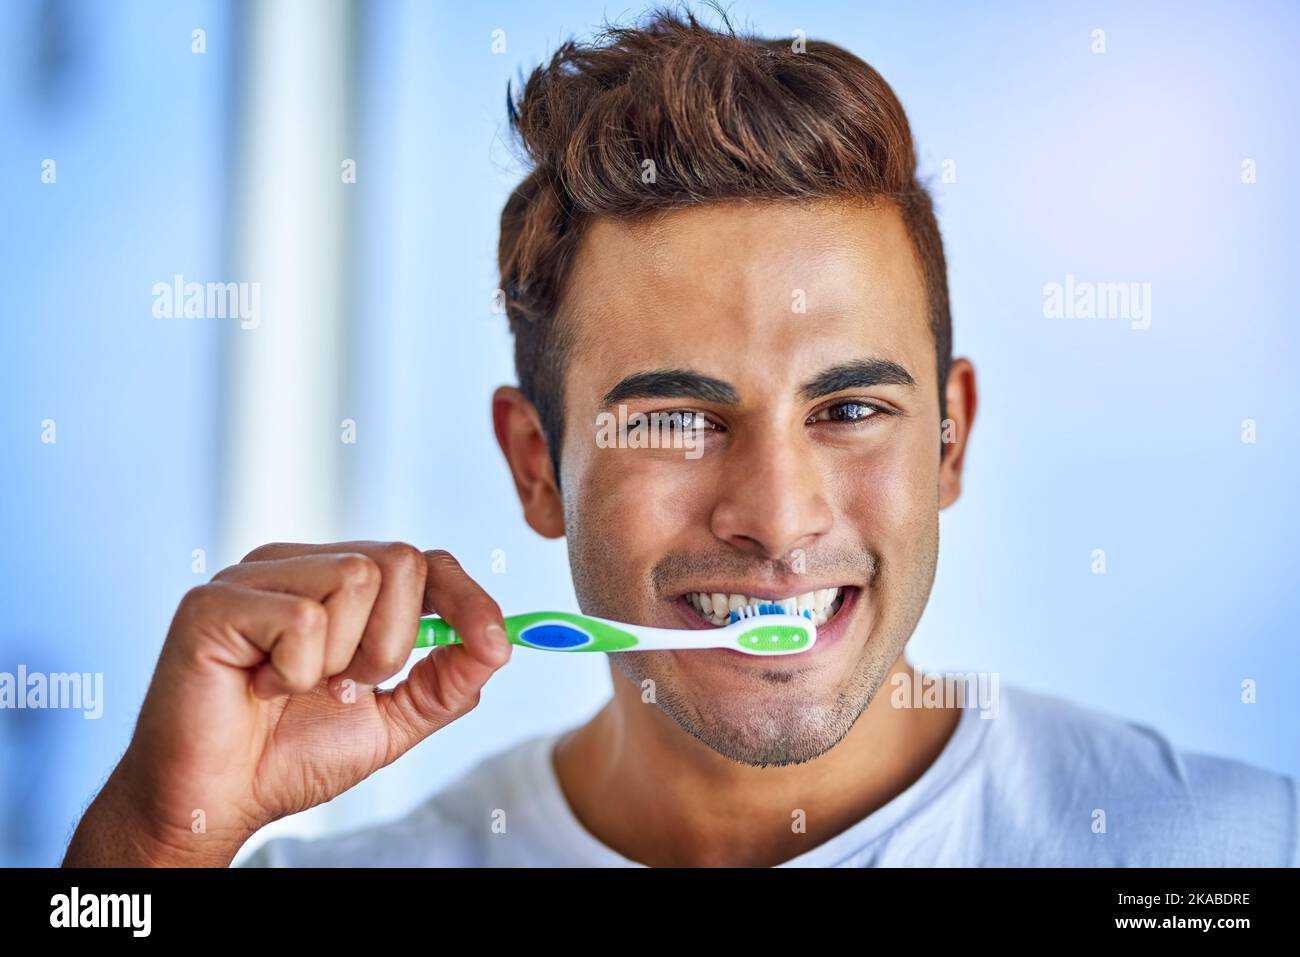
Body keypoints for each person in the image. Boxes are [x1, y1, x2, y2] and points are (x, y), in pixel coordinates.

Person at [63, 10, 1297, 868]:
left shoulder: (1216, 857)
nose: (778, 513)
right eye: (677, 417)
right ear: (535, 464)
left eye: (850, 409)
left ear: (950, 442)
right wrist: (159, 844)